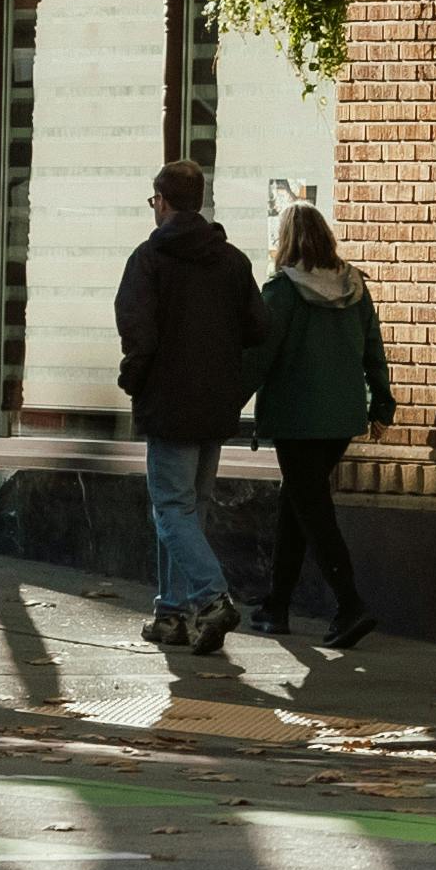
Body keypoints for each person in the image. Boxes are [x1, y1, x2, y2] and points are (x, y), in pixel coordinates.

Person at [116, 158, 266, 650]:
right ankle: (171, 613)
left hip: (169, 402)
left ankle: (210, 597)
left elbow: (137, 332)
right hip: (215, 405)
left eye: (153, 201)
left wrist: (134, 380)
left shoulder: (149, 259)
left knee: (170, 509)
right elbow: (259, 329)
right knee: (190, 509)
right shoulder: (233, 262)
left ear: (162, 201)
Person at [244, 200, 394, 648]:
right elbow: (374, 351)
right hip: (340, 420)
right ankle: (276, 605)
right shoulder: (355, 288)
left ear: (286, 240)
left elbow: (259, 358)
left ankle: (350, 605)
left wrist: (227, 403)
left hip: (296, 420)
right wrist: (381, 405)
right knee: (298, 506)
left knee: (313, 512)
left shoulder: (283, 293)